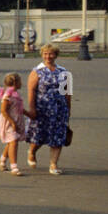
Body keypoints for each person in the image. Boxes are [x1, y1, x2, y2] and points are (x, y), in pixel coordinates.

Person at [25, 44, 72, 174]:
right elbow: (31, 90)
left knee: (58, 137)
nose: (48, 56)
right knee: (39, 136)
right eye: (45, 54)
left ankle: (53, 164)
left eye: (51, 54)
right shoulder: (37, 71)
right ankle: (32, 151)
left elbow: (67, 92)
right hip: (42, 109)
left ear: (56, 55)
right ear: (42, 55)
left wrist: (68, 109)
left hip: (59, 109)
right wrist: (32, 108)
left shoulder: (64, 72)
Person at [0, 73, 27, 175]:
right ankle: (14, 167)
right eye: (20, 81)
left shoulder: (16, 94)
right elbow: (3, 110)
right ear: (15, 83)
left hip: (16, 119)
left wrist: (29, 114)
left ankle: (2, 160)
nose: (21, 83)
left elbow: (20, 108)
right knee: (13, 142)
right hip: (9, 121)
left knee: (11, 142)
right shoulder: (8, 95)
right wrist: (12, 122)